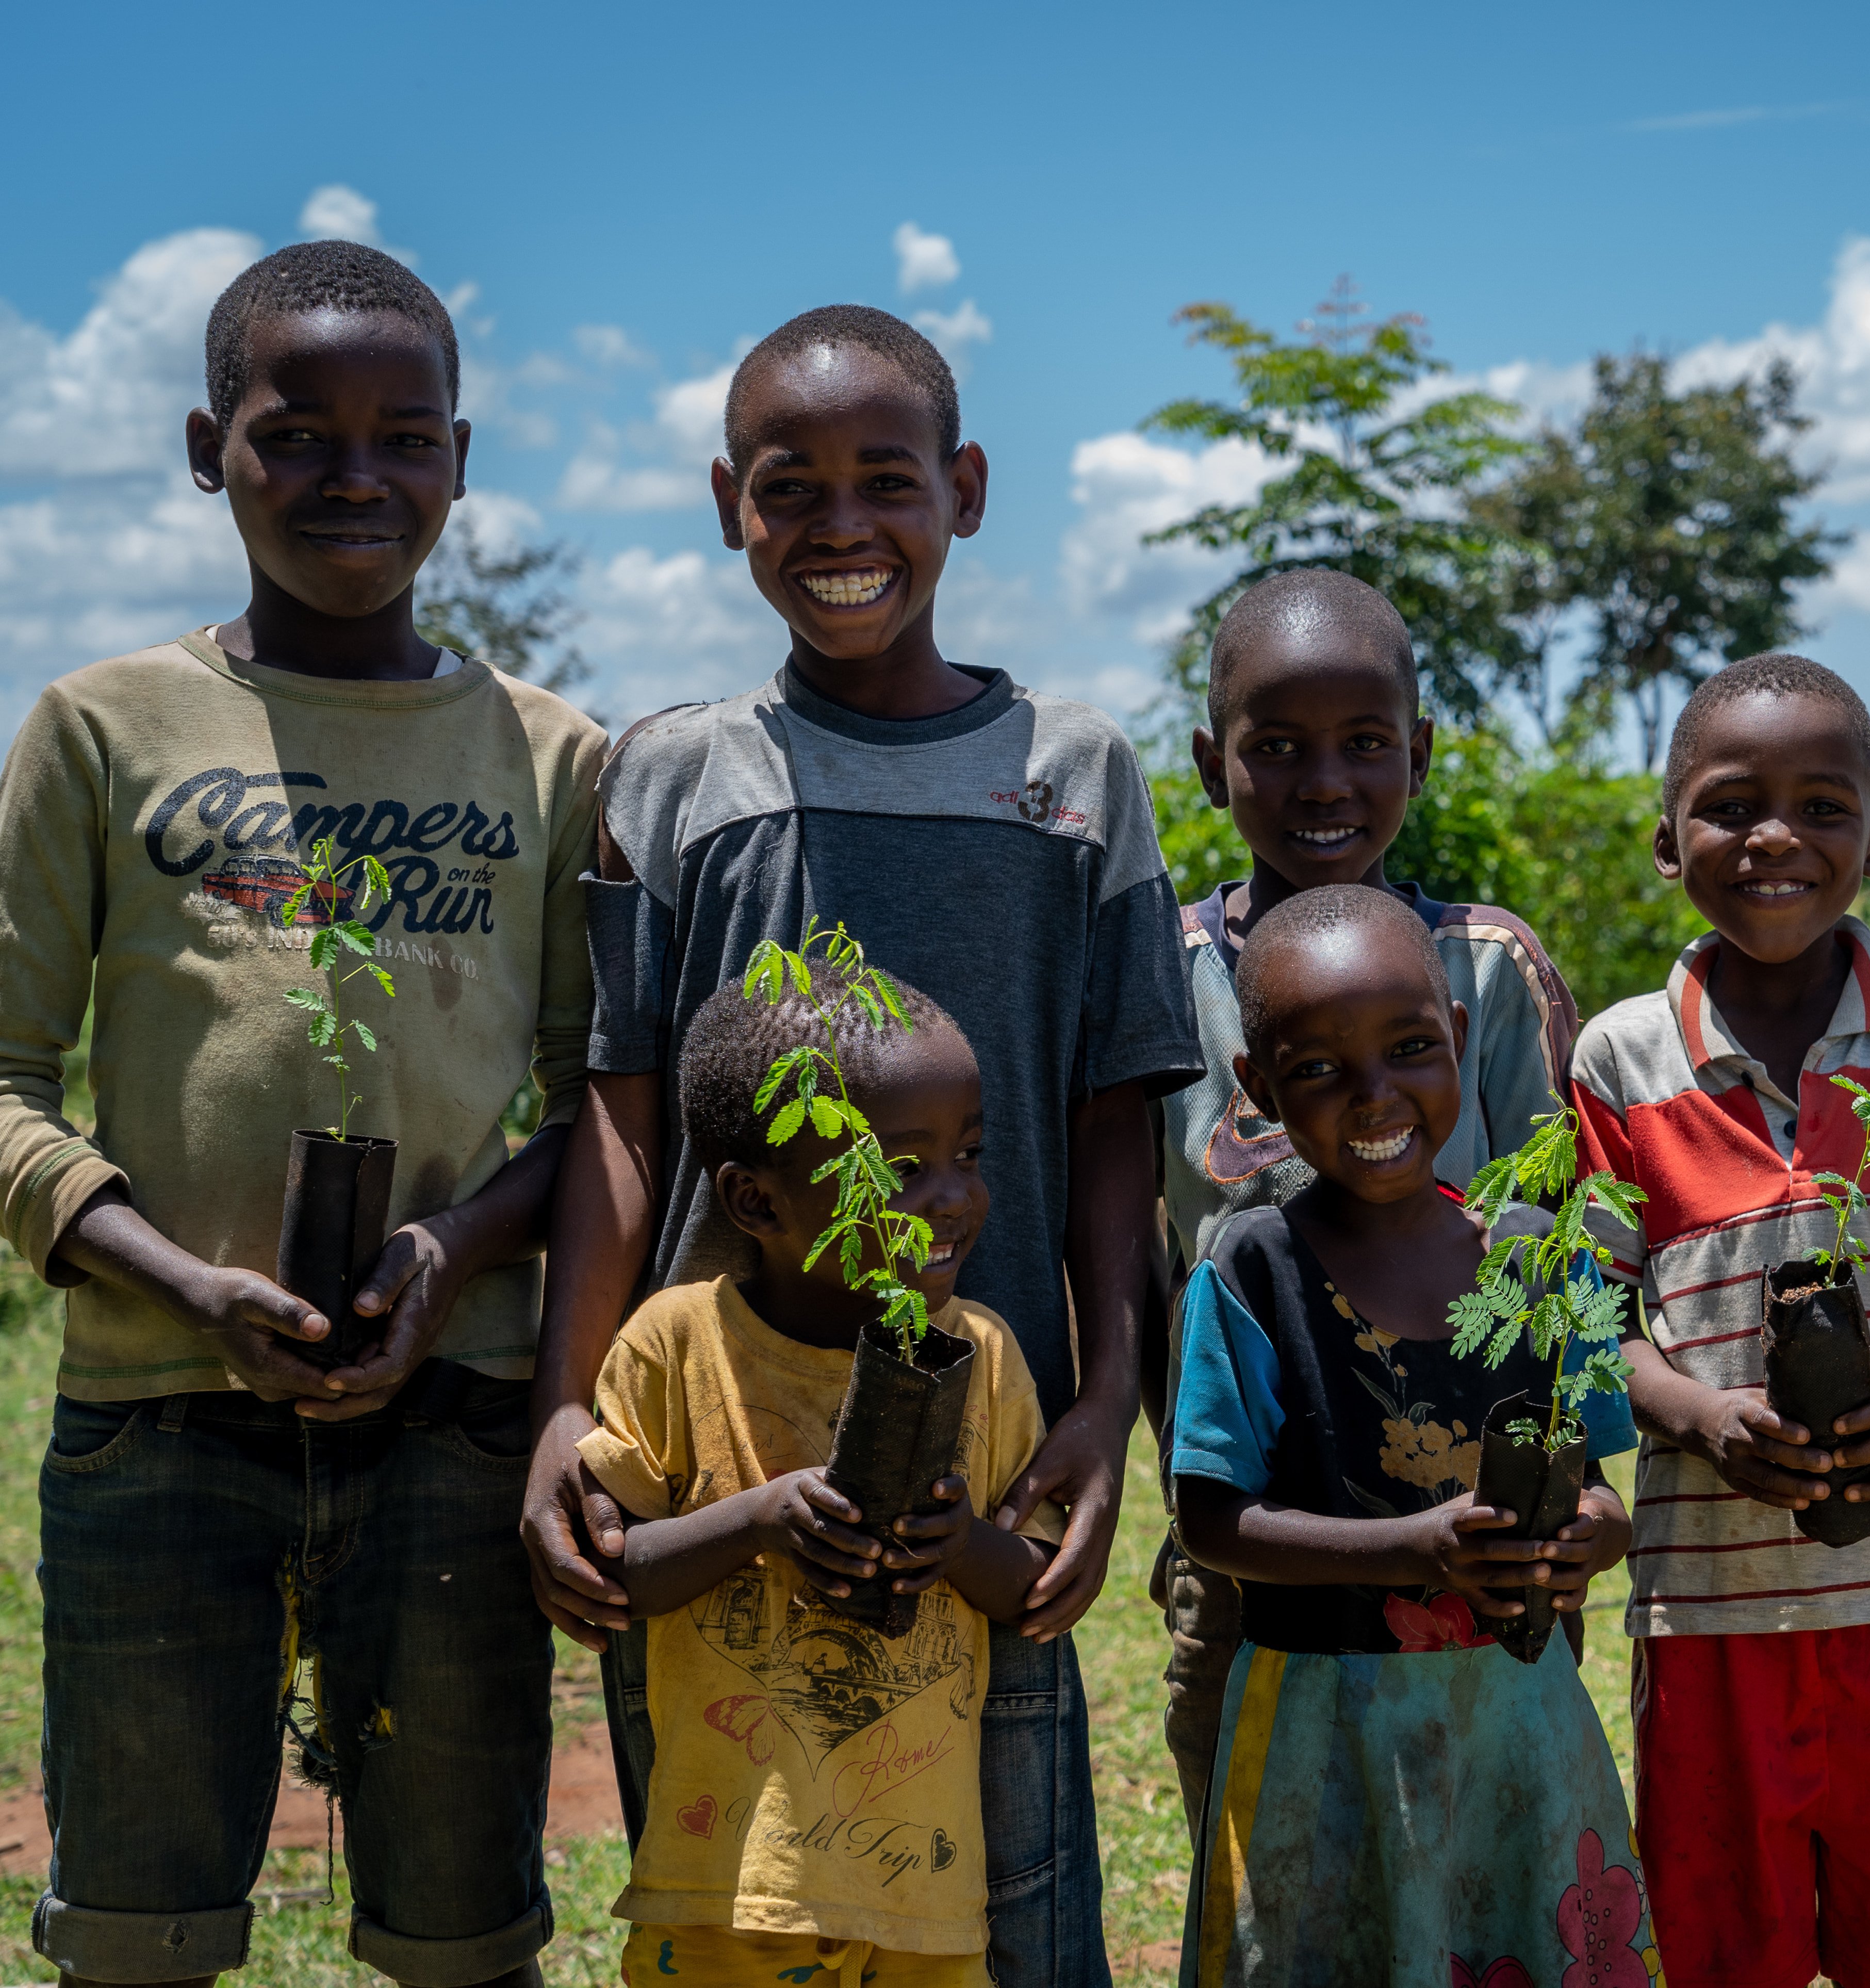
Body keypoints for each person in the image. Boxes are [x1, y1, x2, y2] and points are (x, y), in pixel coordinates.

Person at [519, 304, 1202, 1984]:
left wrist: (1108, 1407)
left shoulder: (1076, 779)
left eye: (884, 480)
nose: (838, 527)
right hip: (715, 1465)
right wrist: (561, 1408)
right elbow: (617, 1114)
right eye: (787, 486)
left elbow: (1119, 1126)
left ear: (964, 490)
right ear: (723, 503)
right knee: (739, 1900)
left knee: (1015, 1917)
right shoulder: (670, 776)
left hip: (993, 1466)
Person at [0, 240, 600, 1988]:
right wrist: (178, 1276)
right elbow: (6, 1079)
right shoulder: (102, 729)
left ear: (462, 462)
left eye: (403, 437)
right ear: (209, 446)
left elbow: (594, 1108)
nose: (357, 476)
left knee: (459, 1929)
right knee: (137, 1929)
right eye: (297, 434)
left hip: (457, 1420)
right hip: (157, 1417)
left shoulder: (552, 756)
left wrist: (451, 1246)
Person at [1572, 652, 1870, 1988]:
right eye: (1728, 806)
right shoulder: (1618, 1055)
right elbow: (1593, 1308)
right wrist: (1700, 1413)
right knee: (1727, 1950)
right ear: (1666, 842)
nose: (1774, 836)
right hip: (1712, 1606)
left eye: (1822, 805)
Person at [1153, 566, 1576, 1836]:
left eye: (1365, 743)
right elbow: (1128, 1243)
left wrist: (1559, 1509)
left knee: (1490, 1855)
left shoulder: (1485, 971)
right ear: (1208, 760)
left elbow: (1562, 1241)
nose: (1323, 781)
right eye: (1275, 746)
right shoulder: (1160, 976)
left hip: (1493, 1543)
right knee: (1275, 1863)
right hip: (1250, 1534)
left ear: (1422, 752)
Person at [1168, 884, 1652, 1983]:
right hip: (1316, 1735)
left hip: (1515, 1722)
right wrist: (1412, 1546)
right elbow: (1209, 1518)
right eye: (1318, 1071)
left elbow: (1608, 1493)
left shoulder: (1542, 1260)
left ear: (1462, 1040)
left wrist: (1592, 1538)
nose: (1373, 1094)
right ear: (1254, 1088)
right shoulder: (1248, 1269)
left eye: (1409, 1047)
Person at [578, 967, 1055, 1988]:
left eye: (967, 1153)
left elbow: (1037, 1589)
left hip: (922, 1897)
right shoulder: (677, 1343)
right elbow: (613, 1576)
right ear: (755, 1198)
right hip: (725, 1890)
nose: (956, 1195)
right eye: (903, 1166)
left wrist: (963, 1545)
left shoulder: (982, 1354)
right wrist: (760, 1516)